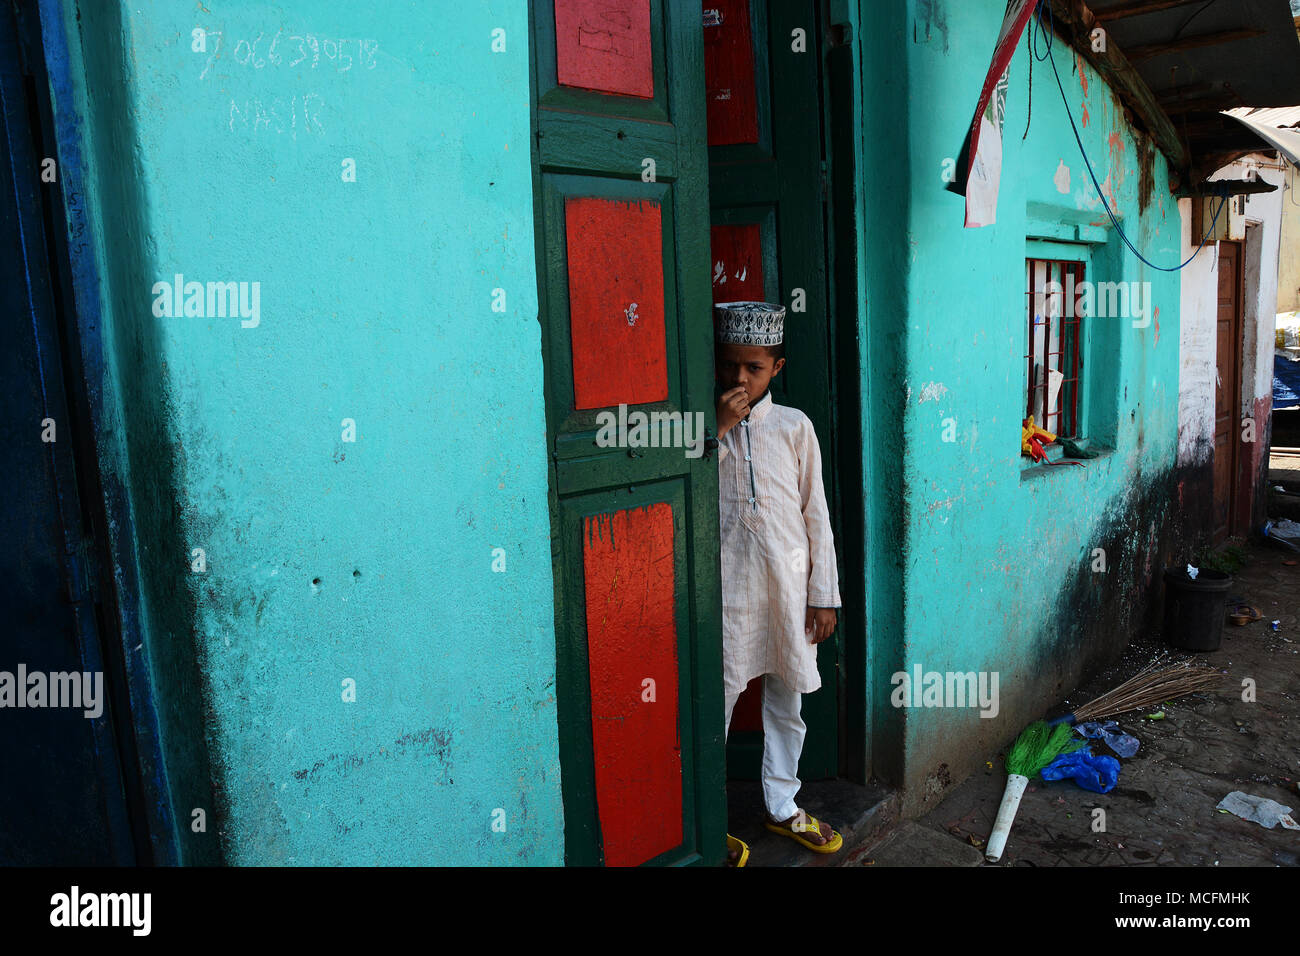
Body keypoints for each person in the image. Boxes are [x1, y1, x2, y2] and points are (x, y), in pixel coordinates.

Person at [710, 301, 843, 867]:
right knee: (714, 699)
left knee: (787, 701)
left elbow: (817, 514)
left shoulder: (795, 427)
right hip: (729, 590)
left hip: (789, 590)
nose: (739, 379)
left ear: (777, 367)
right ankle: (703, 822)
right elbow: (686, 486)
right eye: (730, 366)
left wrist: (824, 594)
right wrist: (715, 428)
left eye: (754, 368)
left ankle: (783, 804)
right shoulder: (701, 425)